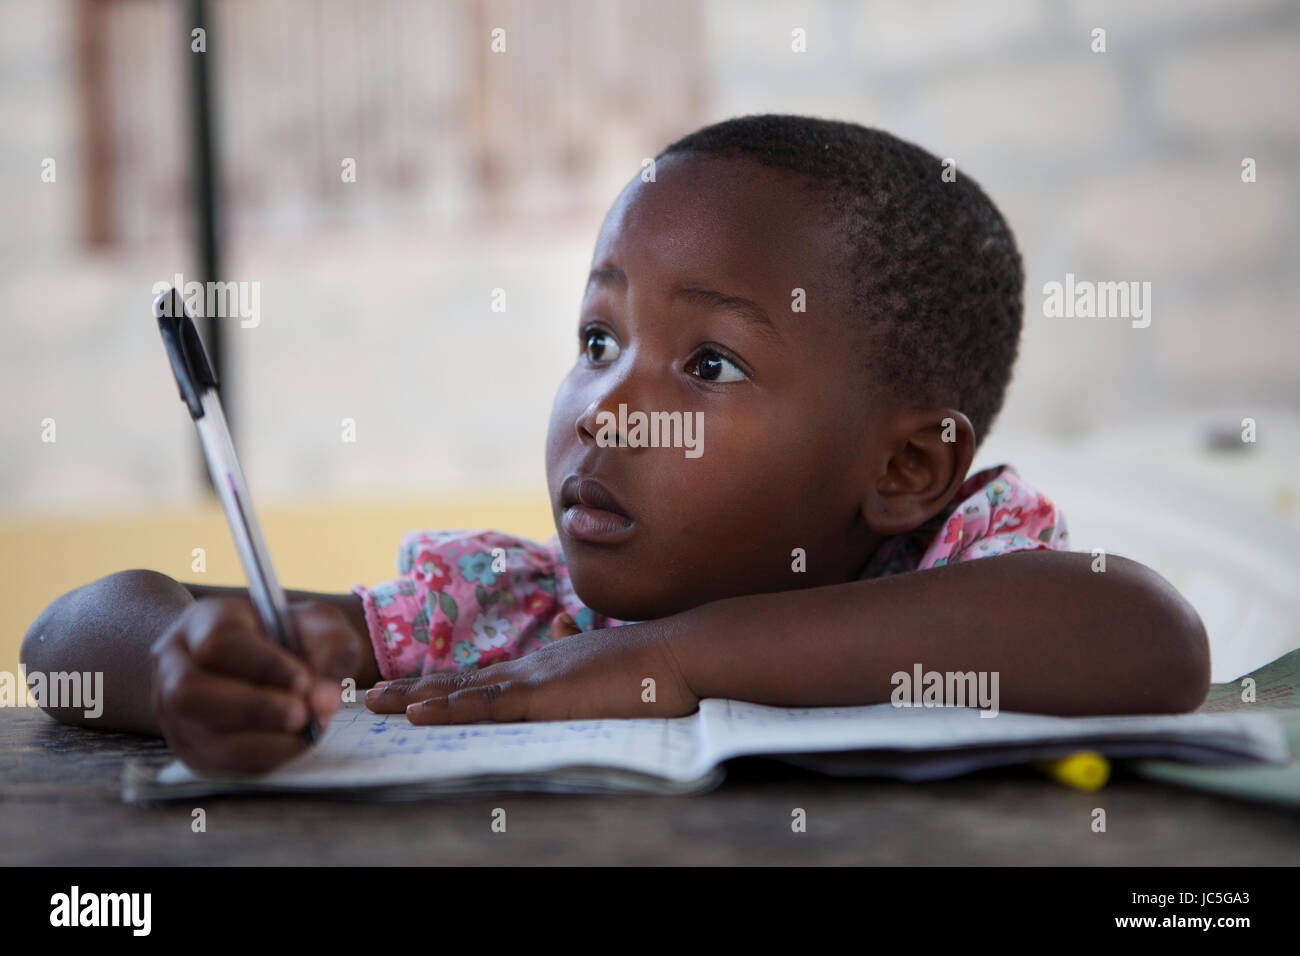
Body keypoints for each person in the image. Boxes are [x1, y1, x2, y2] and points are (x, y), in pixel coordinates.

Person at [21, 114, 1210, 774]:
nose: (601, 407)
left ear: (905, 471)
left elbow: (1146, 639)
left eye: (707, 364)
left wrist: (680, 659)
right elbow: (61, 635)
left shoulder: (959, 576)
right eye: (596, 338)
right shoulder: (513, 621)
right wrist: (194, 656)